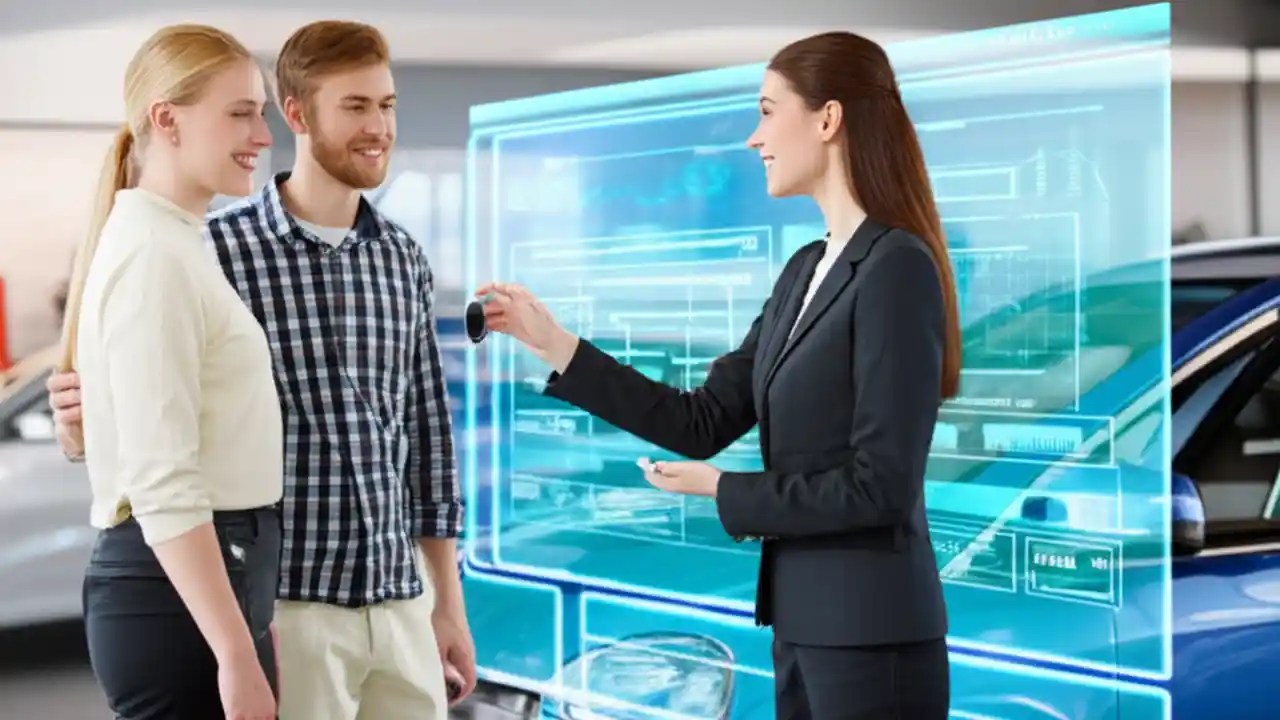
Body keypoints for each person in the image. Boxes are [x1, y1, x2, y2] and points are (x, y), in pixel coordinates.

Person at [477, 31, 960, 719]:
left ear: (827, 119)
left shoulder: (894, 267)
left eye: (766, 111)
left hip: (873, 638)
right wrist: (552, 343)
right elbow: (700, 420)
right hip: (803, 629)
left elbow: (880, 486)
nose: (753, 137)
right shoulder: (805, 270)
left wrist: (725, 490)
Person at [48, 20, 474, 720]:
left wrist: (446, 604)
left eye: (387, 105)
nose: (378, 126)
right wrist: (83, 423)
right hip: (286, 605)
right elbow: (157, 444)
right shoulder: (210, 249)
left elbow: (428, 438)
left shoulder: (404, 259)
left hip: (398, 599)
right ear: (298, 114)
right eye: (356, 106)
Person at [59, 24, 281, 720]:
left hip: (203, 589)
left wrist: (251, 620)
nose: (262, 135)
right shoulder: (155, 255)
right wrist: (235, 652)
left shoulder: (178, 241)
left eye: (261, 113)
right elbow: (162, 480)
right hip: (176, 601)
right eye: (240, 113)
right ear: (167, 119)